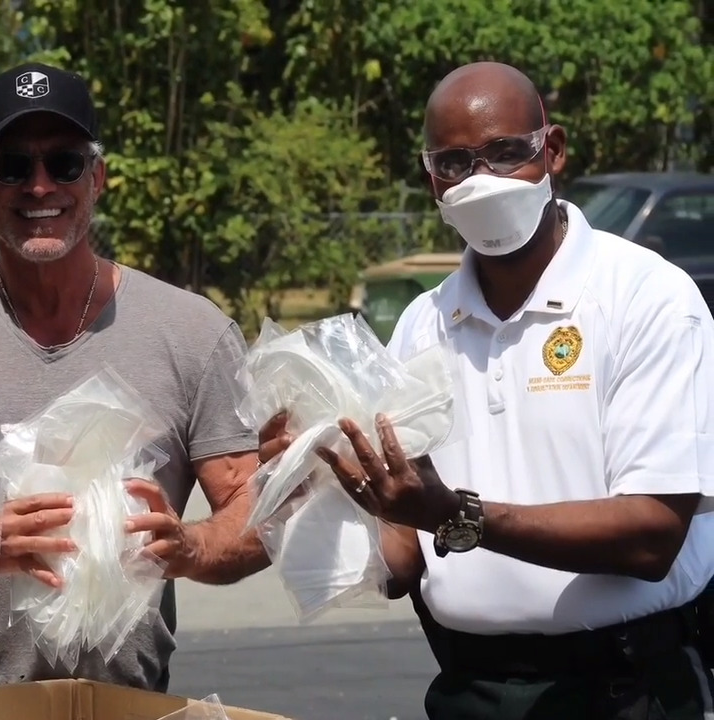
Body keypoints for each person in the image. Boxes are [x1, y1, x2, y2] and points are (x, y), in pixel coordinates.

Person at [260, 61, 714, 719]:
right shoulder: (423, 324)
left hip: (627, 689)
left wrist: (456, 515)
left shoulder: (645, 297)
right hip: (471, 690)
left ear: (552, 149)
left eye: (507, 154)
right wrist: (311, 493)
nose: (483, 181)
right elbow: (400, 558)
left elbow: (651, 538)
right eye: (456, 163)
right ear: (431, 179)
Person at [0, 62, 269, 693]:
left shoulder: (192, 332)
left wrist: (192, 547)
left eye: (65, 163)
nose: (40, 186)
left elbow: (252, 507)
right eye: (13, 166)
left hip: (124, 706)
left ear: (96, 178)